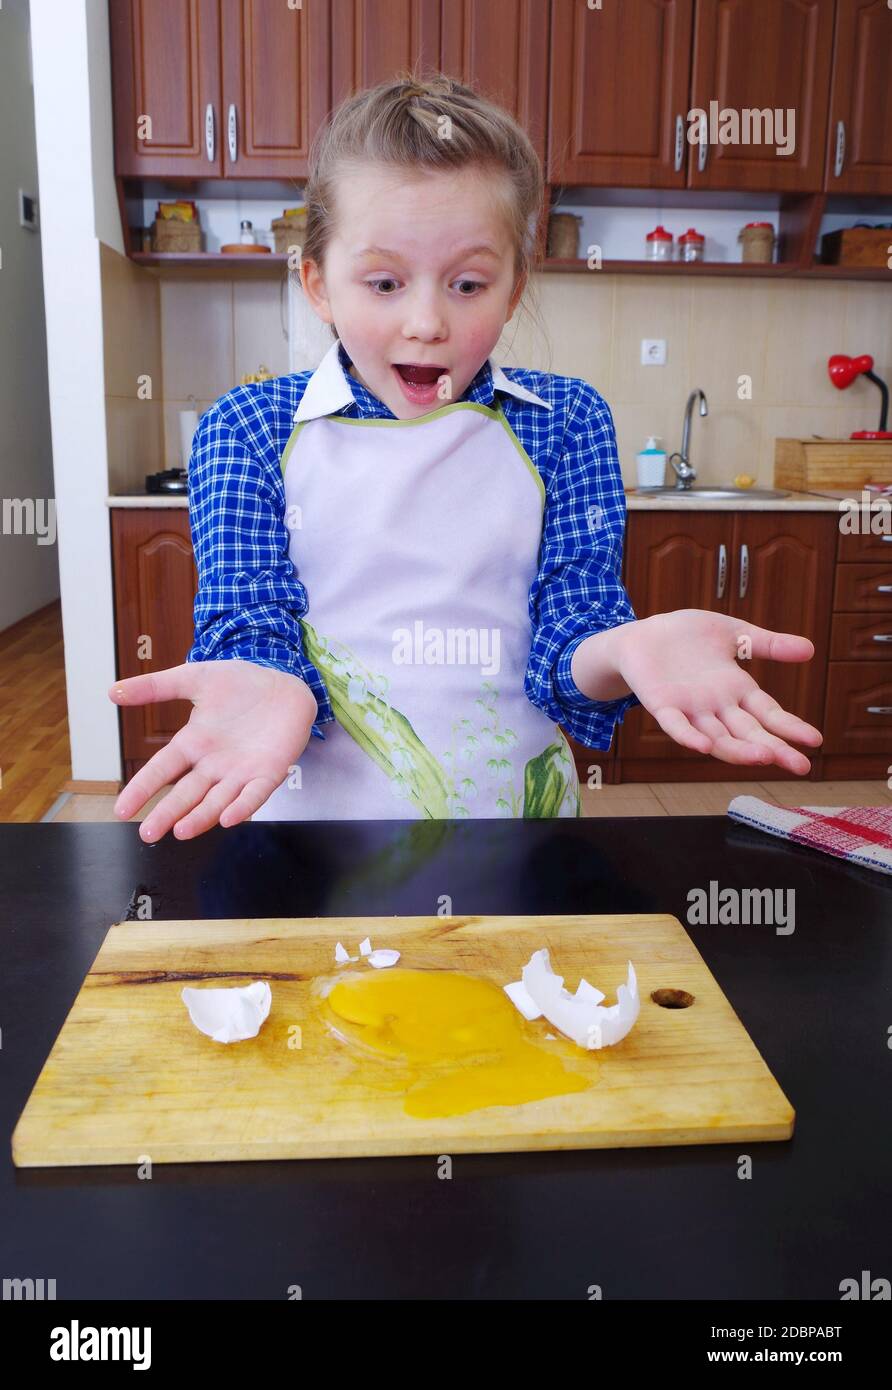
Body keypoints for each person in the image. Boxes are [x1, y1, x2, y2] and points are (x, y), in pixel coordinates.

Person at [109, 73, 821, 841]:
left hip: (512, 832)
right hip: (306, 834)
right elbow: (250, 623)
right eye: (383, 282)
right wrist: (263, 683)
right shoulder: (246, 428)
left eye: (468, 283)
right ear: (317, 283)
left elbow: (568, 636)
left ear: (514, 288)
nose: (426, 322)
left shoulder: (566, 422)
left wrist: (627, 645)